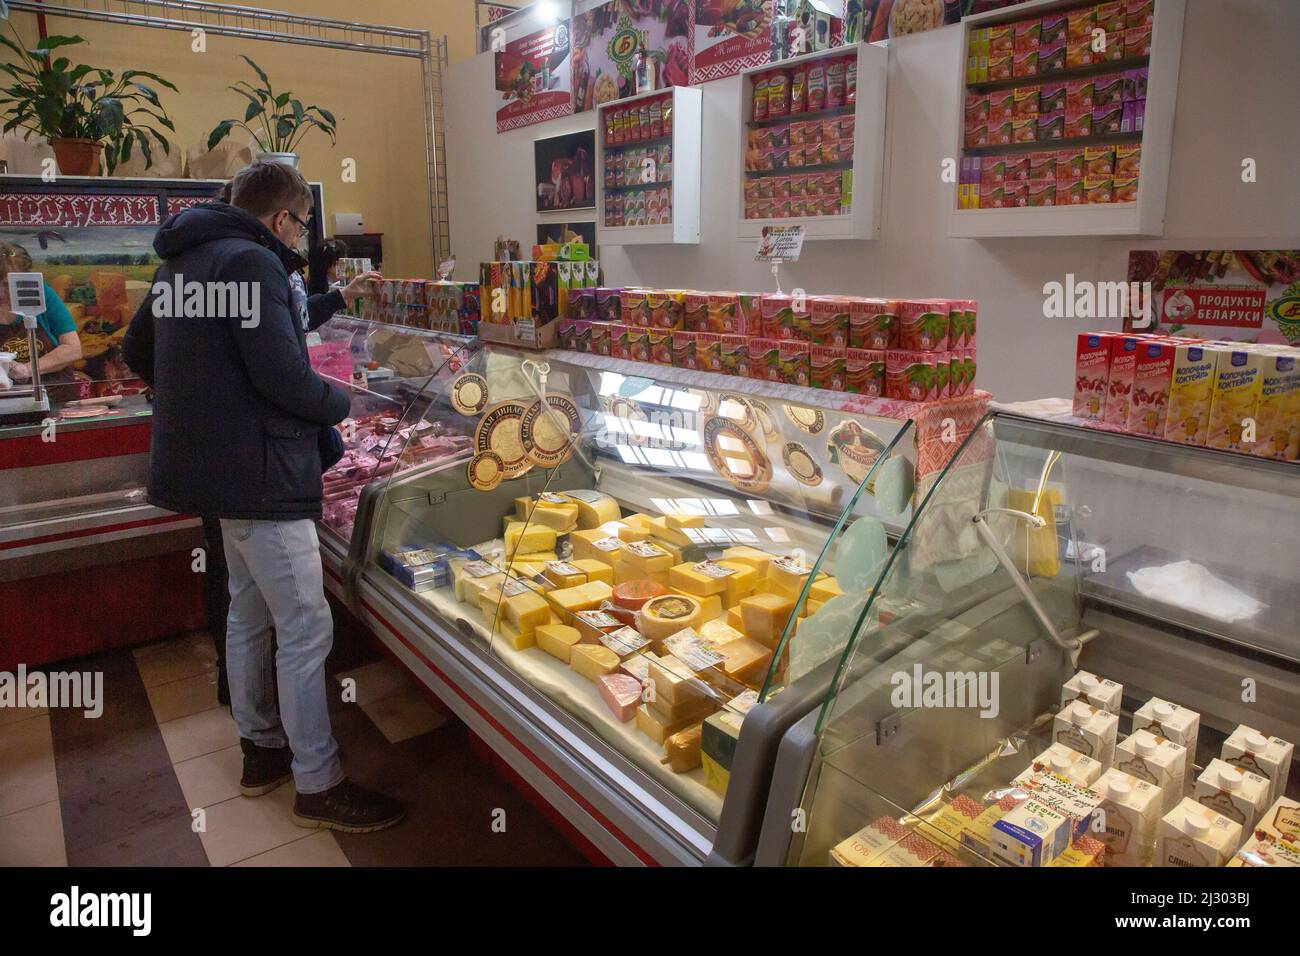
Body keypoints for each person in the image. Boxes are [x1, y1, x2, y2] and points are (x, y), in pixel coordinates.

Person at [123, 160, 404, 833]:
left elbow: (139, 350)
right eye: (303, 225)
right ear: (283, 218)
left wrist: (205, 393)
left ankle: (260, 751)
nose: (302, 237)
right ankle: (319, 781)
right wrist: (346, 402)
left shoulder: (182, 263)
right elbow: (282, 375)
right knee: (305, 628)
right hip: (261, 473)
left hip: (218, 477)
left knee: (248, 615)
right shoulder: (250, 263)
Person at [0, 241, 85, 401]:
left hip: (56, 397)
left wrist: (26, 369)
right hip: (6, 402)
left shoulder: (42, 294)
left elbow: (72, 349)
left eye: (7, 284)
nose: (2, 293)